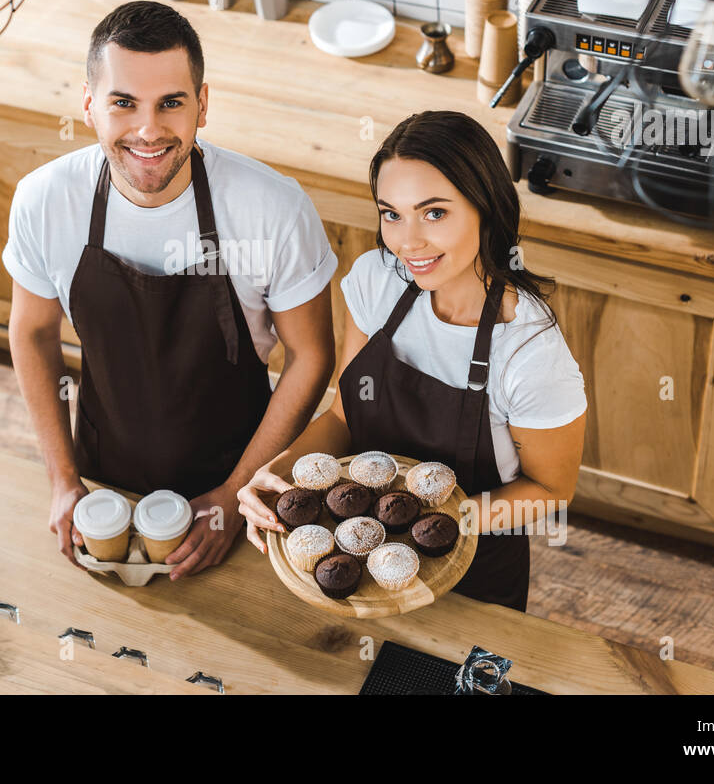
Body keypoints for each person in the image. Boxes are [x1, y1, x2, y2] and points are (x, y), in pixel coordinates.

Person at [5, 0, 338, 580]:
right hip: (103, 481)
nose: (148, 130)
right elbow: (32, 333)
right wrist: (63, 479)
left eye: (171, 103)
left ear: (202, 105)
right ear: (89, 104)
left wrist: (238, 494)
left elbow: (312, 357)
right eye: (123, 103)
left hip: (244, 482)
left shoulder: (273, 209)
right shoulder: (44, 200)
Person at [236, 111, 588, 612]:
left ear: (486, 207)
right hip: (352, 556)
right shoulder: (376, 281)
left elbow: (551, 489)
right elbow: (344, 418)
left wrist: (437, 524)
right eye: (392, 214)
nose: (408, 242)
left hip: (472, 573)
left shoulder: (529, 352)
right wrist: (274, 474)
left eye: (435, 213)